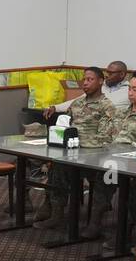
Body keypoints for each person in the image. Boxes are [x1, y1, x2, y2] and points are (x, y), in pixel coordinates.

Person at [32, 66, 119, 234]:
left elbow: (106, 138)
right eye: (84, 79)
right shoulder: (77, 103)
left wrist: (79, 142)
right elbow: (67, 127)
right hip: (74, 154)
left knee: (107, 174)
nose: (85, 83)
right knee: (57, 167)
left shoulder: (106, 106)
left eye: (90, 79)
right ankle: (56, 213)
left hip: (97, 157)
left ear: (100, 82)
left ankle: (95, 222)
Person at [90, 71, 136, 241]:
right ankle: (95, 223)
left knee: (134, 186)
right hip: (116, 165)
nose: (130, 93)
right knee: (103, 176)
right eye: (129, 88)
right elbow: (108, 135)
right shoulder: (122, 112)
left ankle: (125, 232)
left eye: (135, 89)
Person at [45, 60, 131, 115]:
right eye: (107, 72)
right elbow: (78, 101)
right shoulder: (101, 86)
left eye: (111, 73)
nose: (107, 75)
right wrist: (55, 107)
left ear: (122, 74)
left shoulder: (129, 90)